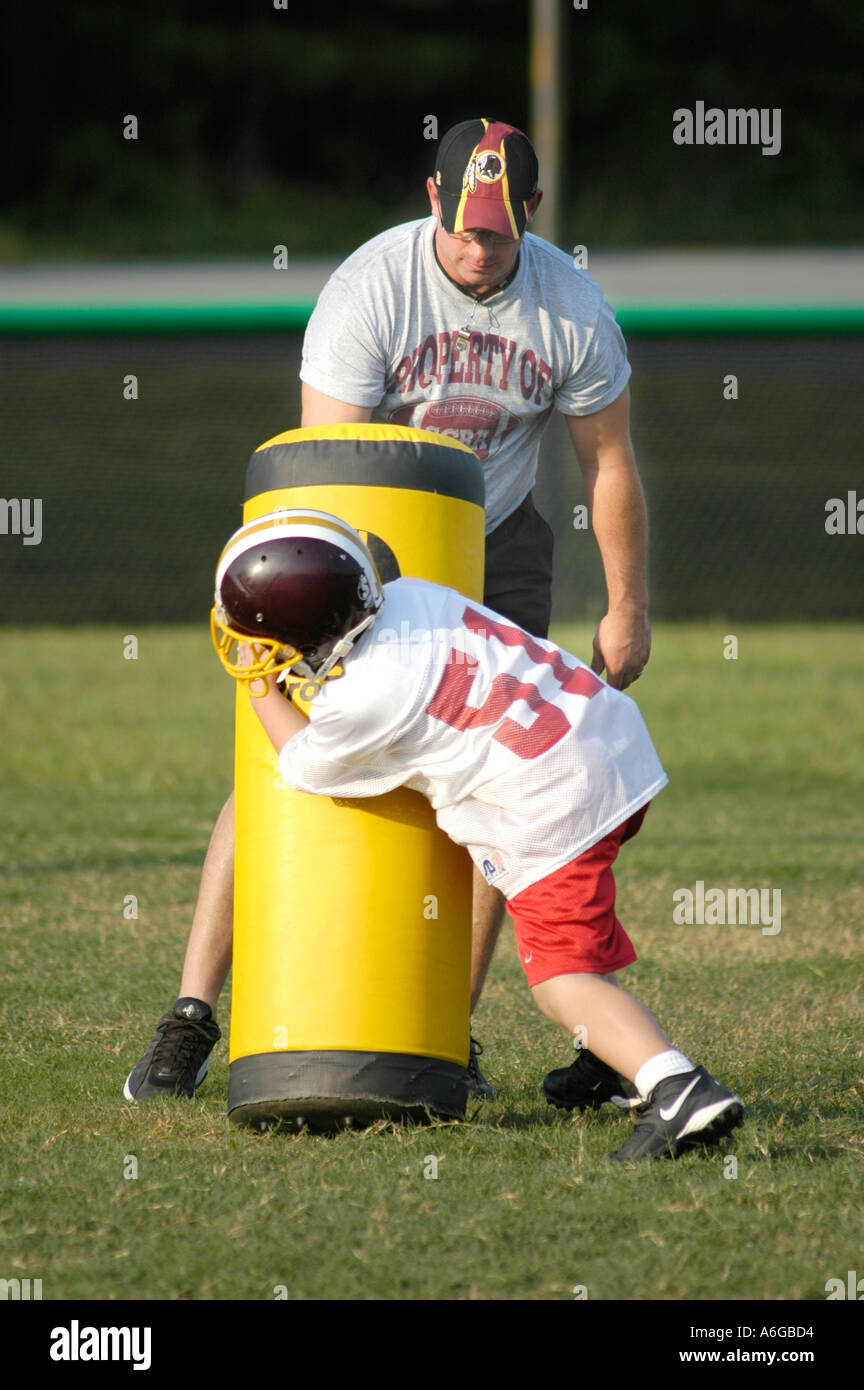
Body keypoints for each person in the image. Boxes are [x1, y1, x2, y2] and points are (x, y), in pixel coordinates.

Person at [124, 117, 652, 1105]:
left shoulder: (572, 308)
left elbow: (608, 462)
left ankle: (441, 1030)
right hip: (364, 537)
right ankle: (191, 1014)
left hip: (495, 540)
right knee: (283, 758)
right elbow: (331, 471)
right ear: (430, 198)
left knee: (507, 785)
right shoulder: (371, 287)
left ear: (532, 217)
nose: (475, 247)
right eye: (460, 228)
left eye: (496, 233)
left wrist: (628, 604)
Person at [201, 507, 742, 1163]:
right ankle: (609, 1058)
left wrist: (261, 684)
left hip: (554, 801)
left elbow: (303, 765)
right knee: (576, 929)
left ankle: (677, 1088)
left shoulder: (360, 700)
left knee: (561, 977)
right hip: (606, 737)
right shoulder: (411, 595)